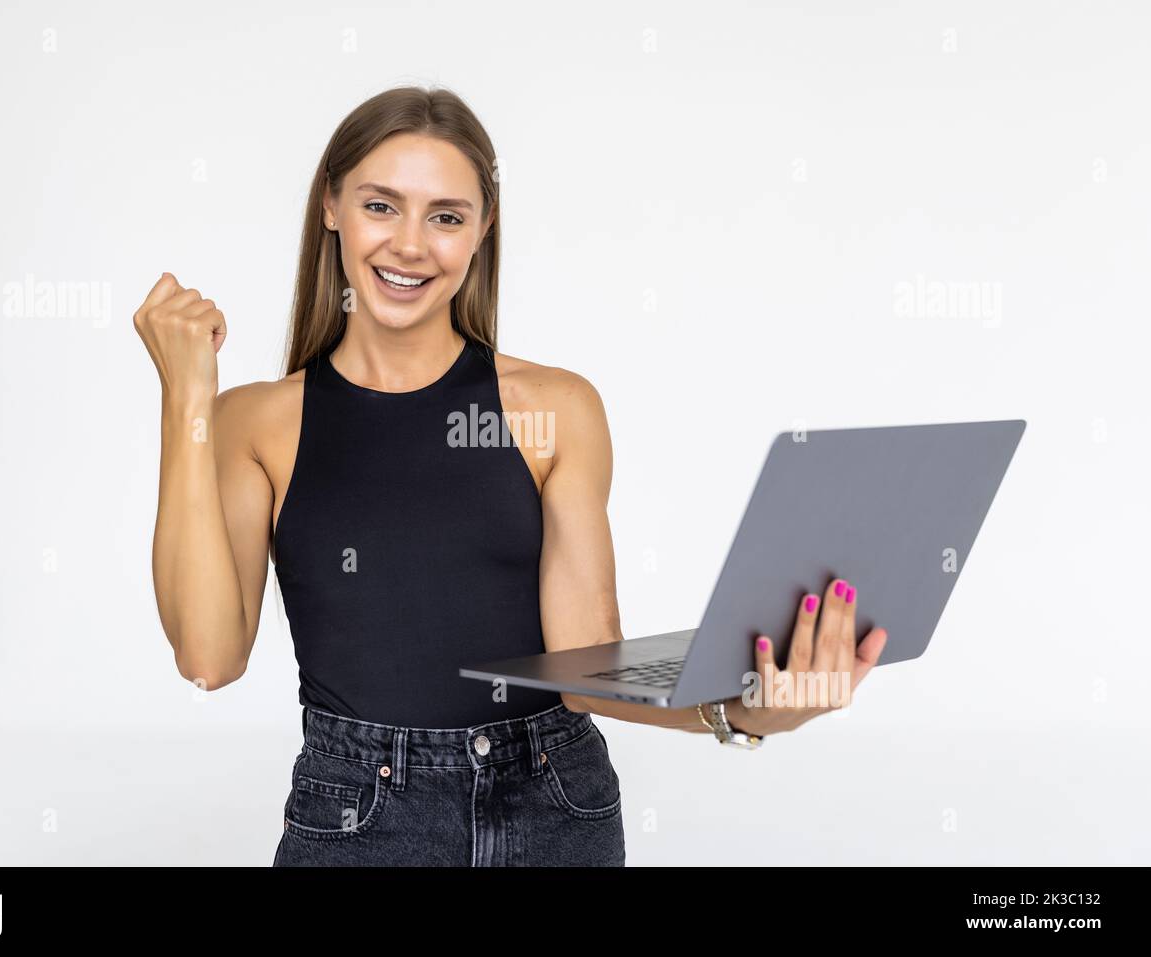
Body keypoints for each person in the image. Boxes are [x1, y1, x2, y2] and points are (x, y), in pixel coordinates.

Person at [133, 85, 889, 866]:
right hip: (358, 816)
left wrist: (752, 710)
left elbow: (588, 672)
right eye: (382, 206)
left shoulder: (557, 409)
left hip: (555, 807)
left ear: (482, 229)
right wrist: (187, 395)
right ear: (331, 204)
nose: (411, 245)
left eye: (447, 216)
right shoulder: (254, 423)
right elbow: (208, 657)